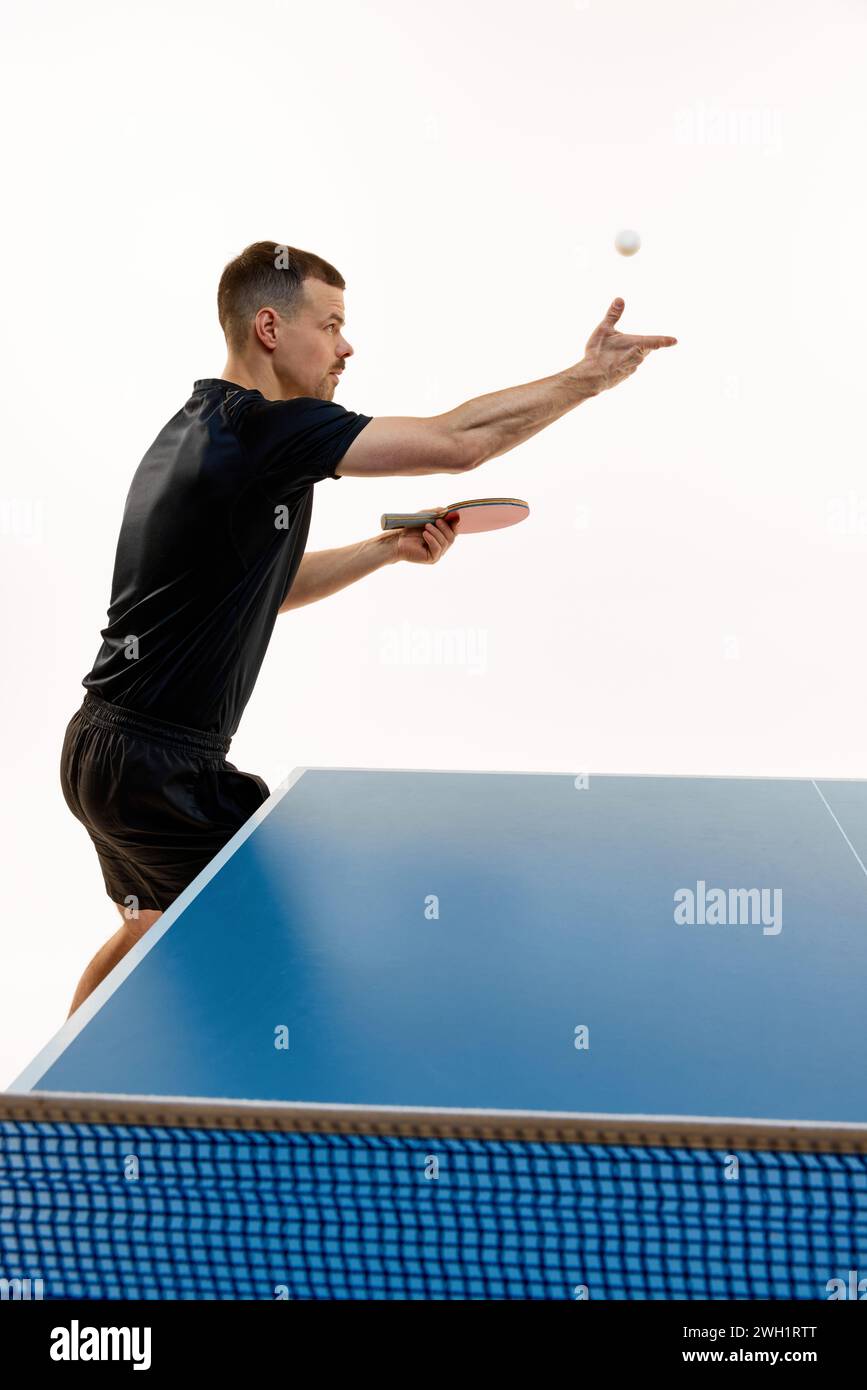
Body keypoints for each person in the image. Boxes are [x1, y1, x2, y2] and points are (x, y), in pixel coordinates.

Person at [60, 240, 677, 1015]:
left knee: (152, 928)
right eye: (332, 323)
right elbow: (458, 444)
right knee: (276, 983)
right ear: (269, 328)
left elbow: (261, 593)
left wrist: (385, 549)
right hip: (158, 772)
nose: (346, 346)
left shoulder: (194, 428)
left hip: (103, 749)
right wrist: (586, 380)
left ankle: (39, 1108)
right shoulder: (261, 432)